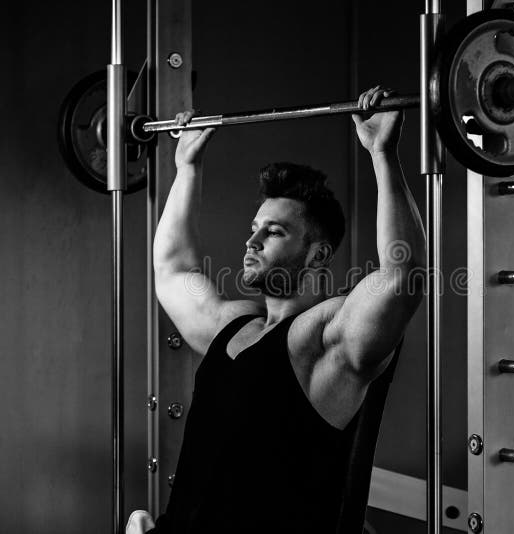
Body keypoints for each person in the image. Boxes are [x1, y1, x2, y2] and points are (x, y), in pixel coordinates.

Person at [127, 86, 425, 534]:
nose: (251, 242)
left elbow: (402, 277)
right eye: (253, 228)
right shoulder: (230, 327)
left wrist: (383, 155)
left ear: (317, 254)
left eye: (274, 231)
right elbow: (171, 268)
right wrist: (187, 167)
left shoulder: (323, 341)